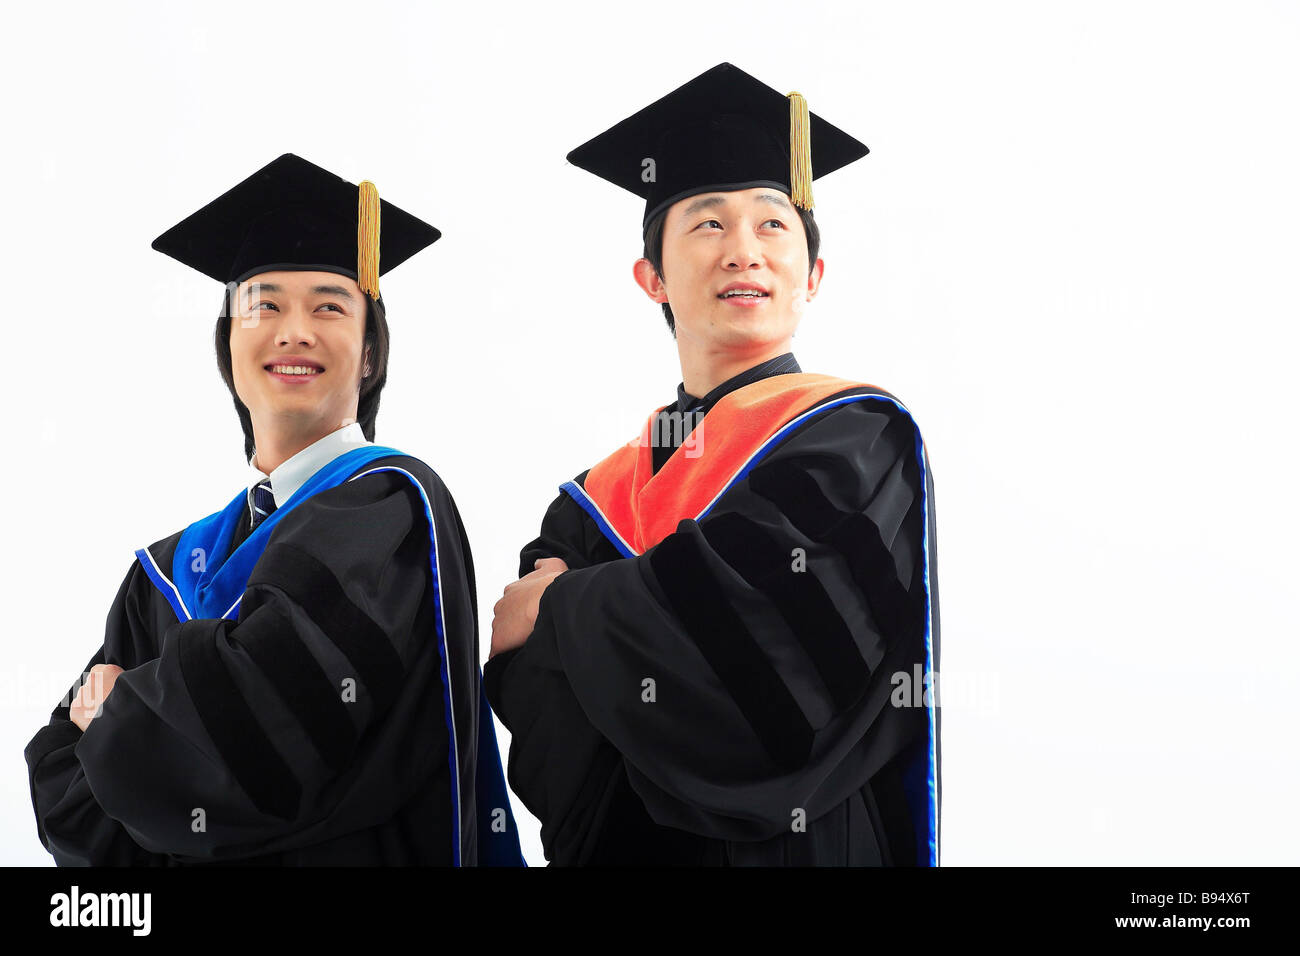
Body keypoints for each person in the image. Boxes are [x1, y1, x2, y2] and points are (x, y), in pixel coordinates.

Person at [485, 63, 941, 866]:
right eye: (706, 225)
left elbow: (776, 680)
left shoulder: (851, 438)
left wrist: (562, 606)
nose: (743, 251)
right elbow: (536, 716)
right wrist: (638, 612)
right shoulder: (588, 502)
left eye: (772, 226)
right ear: (651, 278)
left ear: (814, 276)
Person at [24, 153, 523, 866]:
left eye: (329, 305)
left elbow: (260, 734)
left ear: (372, 354)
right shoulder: (169, 569)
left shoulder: (388, 508)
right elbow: (62, 792)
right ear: (228, 349)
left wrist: (119, 710)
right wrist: (147, 721)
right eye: (263, 306)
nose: (295, 331)